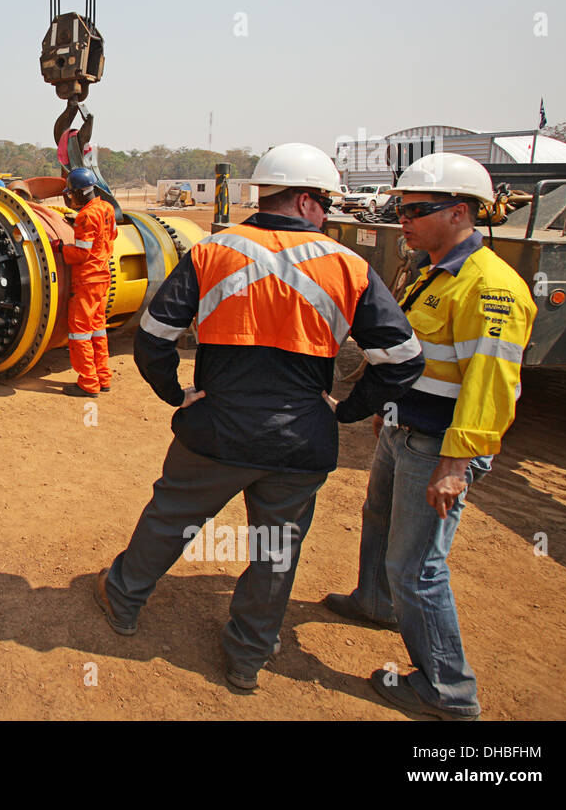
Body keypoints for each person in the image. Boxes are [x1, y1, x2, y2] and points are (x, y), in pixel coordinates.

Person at [92, 143, 425, 691]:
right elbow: (403, 359)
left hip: (216, 429)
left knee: (171, 516)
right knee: (276, 550)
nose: (327, 215)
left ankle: (123, 600)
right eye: (325, 203)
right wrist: (345, 411)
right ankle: (247, 657)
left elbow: (152, 336)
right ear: (305, 200)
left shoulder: (213, 250)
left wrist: (176, 393)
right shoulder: (349, 265)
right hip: (300, 442)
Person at [323, 153, 535, 720]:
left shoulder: (490, 288)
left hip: (439, 446)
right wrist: (386, 409)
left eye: (417, 210)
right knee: (379, 518)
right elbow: (416, 358)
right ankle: (374, 602)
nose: (404, 221)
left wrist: (455, 465)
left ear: (460, 212)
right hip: (404, 430)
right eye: (401, 209)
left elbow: (490, 383)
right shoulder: (435, 271)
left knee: (418, 567)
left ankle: (448, 690)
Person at [60, 167, 117, 397]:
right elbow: (111, 236)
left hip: (86, 281)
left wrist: (61, 249)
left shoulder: (86, 216)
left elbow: (81, 254)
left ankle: (88, 383)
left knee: (80, 333)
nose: (70, 197)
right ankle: (103, 378)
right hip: (104, 276)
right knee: (97, 330)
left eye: (72, 193)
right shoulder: (106, 208)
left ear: (82, 192)